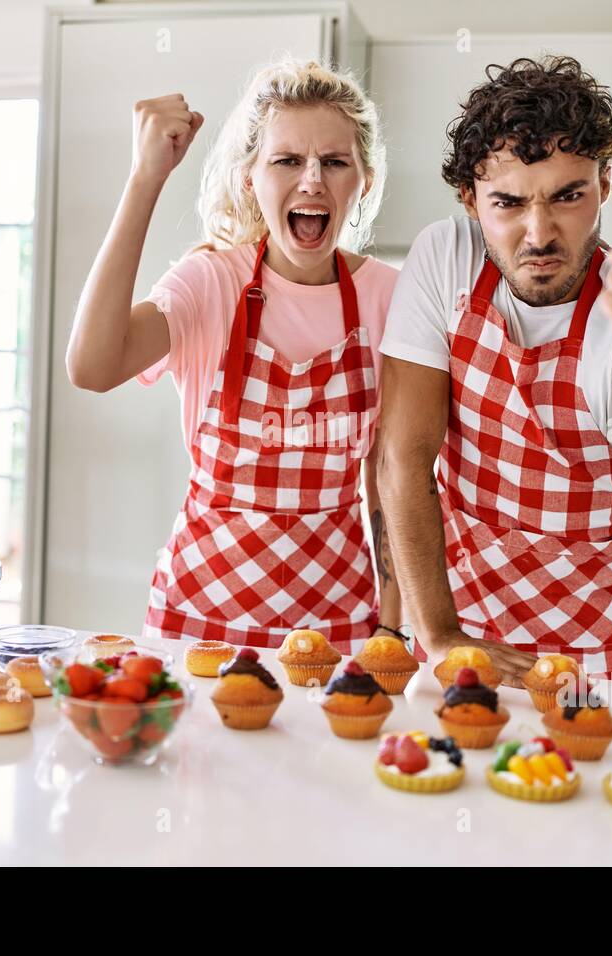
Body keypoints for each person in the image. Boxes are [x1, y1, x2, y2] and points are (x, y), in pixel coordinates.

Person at [376, 56, 612, 685]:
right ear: (471, 201)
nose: (540, 235)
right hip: (463, 616)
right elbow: (403, 456)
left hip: (607, 638)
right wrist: (439, 633)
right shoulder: (446, 258)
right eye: (508, 203)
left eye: (568, 196)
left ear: (604, 186)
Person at [66, 59, 403, 651]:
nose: (312, 180)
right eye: (287, 160)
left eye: (334, 161)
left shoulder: (388, 298)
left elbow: (390, 480)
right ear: (250, 177)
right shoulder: (209, 286)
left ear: (364, 182)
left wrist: (395, 630)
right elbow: (91, 367)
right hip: (196, 626)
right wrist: (146, 177)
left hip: (337, 633)